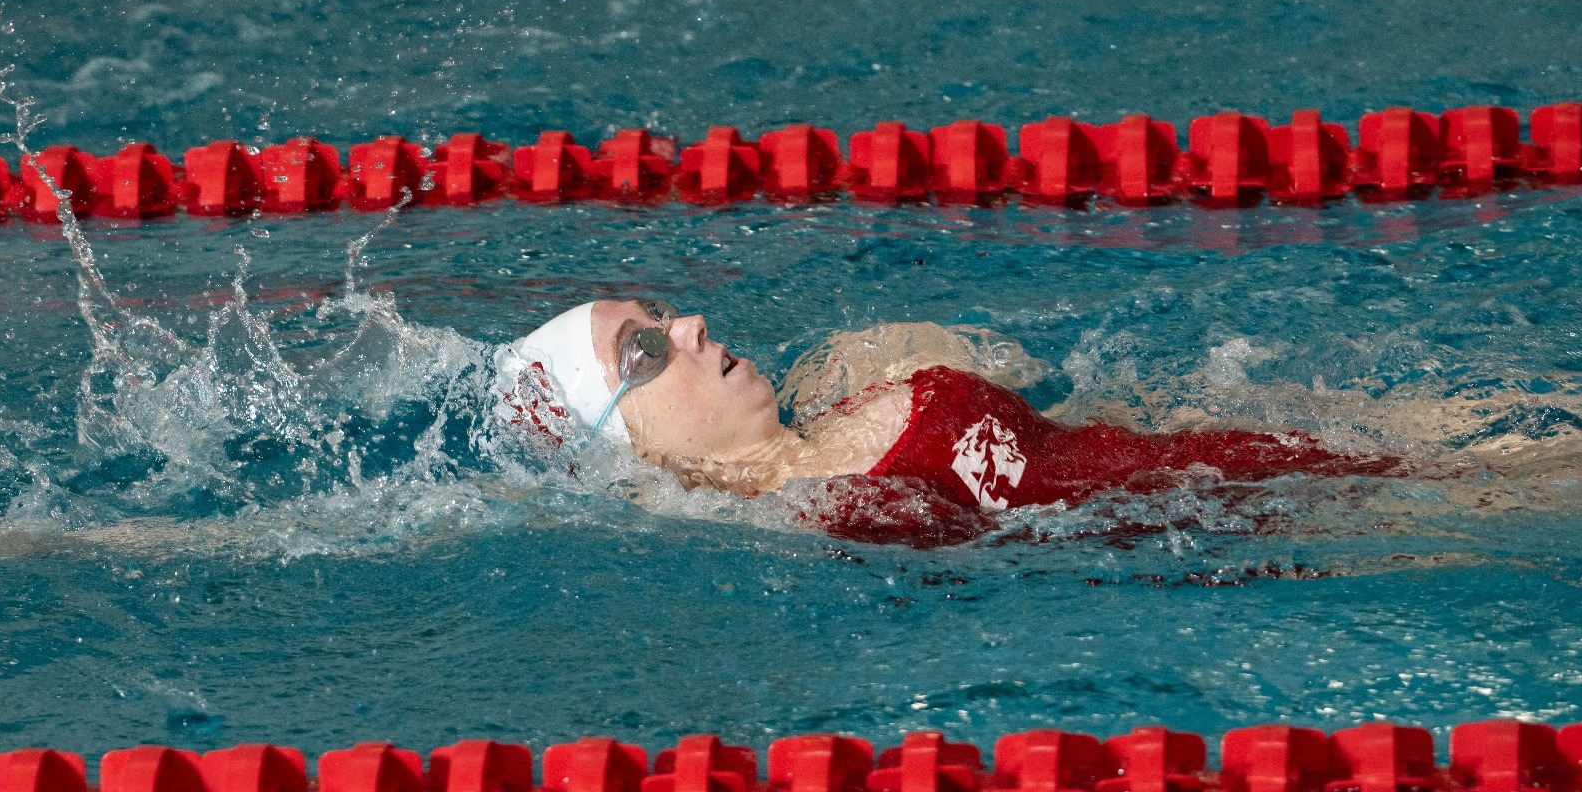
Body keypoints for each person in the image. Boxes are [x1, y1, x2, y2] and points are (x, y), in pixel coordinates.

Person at [496, 299, 1406, 545]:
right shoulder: (815, 515)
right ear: (636, 449)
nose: (687, 325)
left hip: (1260, 446)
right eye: (645, 353)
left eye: (659, 313)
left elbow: (1025, 385)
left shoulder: (829, 403)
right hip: (1295, 514)